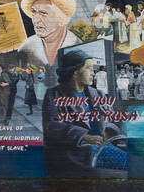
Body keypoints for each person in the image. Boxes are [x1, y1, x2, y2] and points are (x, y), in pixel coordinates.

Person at [42, 48, 128, 176]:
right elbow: (51, 126)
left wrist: (108, 131)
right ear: (75, 72)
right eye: (89, 68)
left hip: (102, 146)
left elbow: (111, 120)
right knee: (128, 163)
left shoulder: (98, 94)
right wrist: (84, 136)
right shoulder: (54, 94)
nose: (93, 73)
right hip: (74, 152)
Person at [17, 0, 80, 77]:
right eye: (34, 12)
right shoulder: (26, 48)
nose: (36, 20)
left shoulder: (77, 46)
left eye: (43, 13)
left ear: (61, 17)